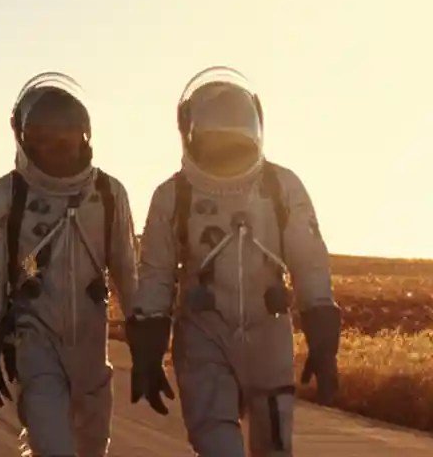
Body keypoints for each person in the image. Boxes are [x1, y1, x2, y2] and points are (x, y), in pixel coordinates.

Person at [129, 66, 340, 457]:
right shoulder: (174, 197)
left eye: (236, 138)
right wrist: (147, 350)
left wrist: (323, 340)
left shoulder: (280, 187)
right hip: (205, 339)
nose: (227, 148)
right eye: (216, 139)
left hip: (269, 340)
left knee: (275, 450)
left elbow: (309, 263)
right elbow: (156, 276)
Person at [0, 72, 138, 457]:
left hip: (92, 350)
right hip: (33, 340)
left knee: (92, 446)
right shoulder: (6, 194)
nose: (56, 147)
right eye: (43, 138)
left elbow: (128, 270)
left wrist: (145, 346)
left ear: (85, 136)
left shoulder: (108, 194)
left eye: (66, 136)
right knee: (52, 444)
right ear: (24, 139)